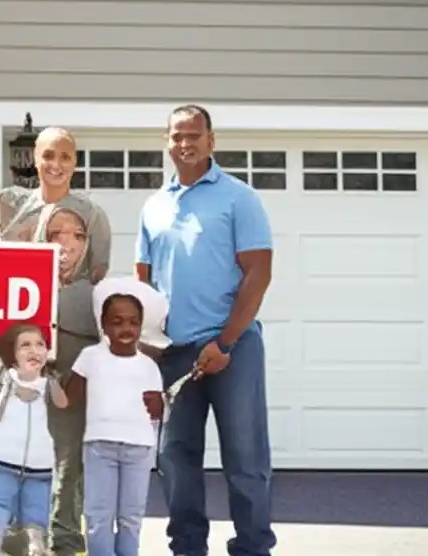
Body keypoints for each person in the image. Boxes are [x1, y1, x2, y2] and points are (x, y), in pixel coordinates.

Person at [0, 98, 111, 556]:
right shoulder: (15, 205)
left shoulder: (91, 214)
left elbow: (98, 278)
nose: (56, 163)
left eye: (65, 156)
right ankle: (5, 537)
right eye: (48, 154)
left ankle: (65, 537)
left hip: (70, 343)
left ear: (75, 163)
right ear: (36, 159)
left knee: (66, 446)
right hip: (17, 343)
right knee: (4, 436)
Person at [135, 104, 276, 556]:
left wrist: (226, 341)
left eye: (194, 135)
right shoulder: (154, 206)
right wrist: (150, 346)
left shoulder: (239, 198)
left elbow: (258, 273)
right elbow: (143, 281)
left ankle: (253, 546)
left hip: (234, 348)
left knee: (245, 457)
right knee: (174, 458)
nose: (185, 143)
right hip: (175, 353)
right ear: (167, 141)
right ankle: (188, 547)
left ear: (211, 141)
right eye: (177, 136)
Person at [65, 280, 167, 556]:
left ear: (141, 325)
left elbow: (157, 414)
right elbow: (68, 398)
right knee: (98, 516)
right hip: (99, 447)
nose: (126, 329)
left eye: (133, 322)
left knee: (131, 517)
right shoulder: (90, 357)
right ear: (104, 325)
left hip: (139, 448)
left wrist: (161, 404)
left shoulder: (148, 366)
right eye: (117, 322)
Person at [0, 323, 70, 556]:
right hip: (2, 458)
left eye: (40, 345)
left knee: (36, 508)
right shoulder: (8, 379)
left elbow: (63, 403)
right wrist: (9, 388)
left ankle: (36, 543)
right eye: (25, 345)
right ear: (13, 356)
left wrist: (54, 381)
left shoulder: (46, 383)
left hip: (39, 462)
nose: (34, 350)